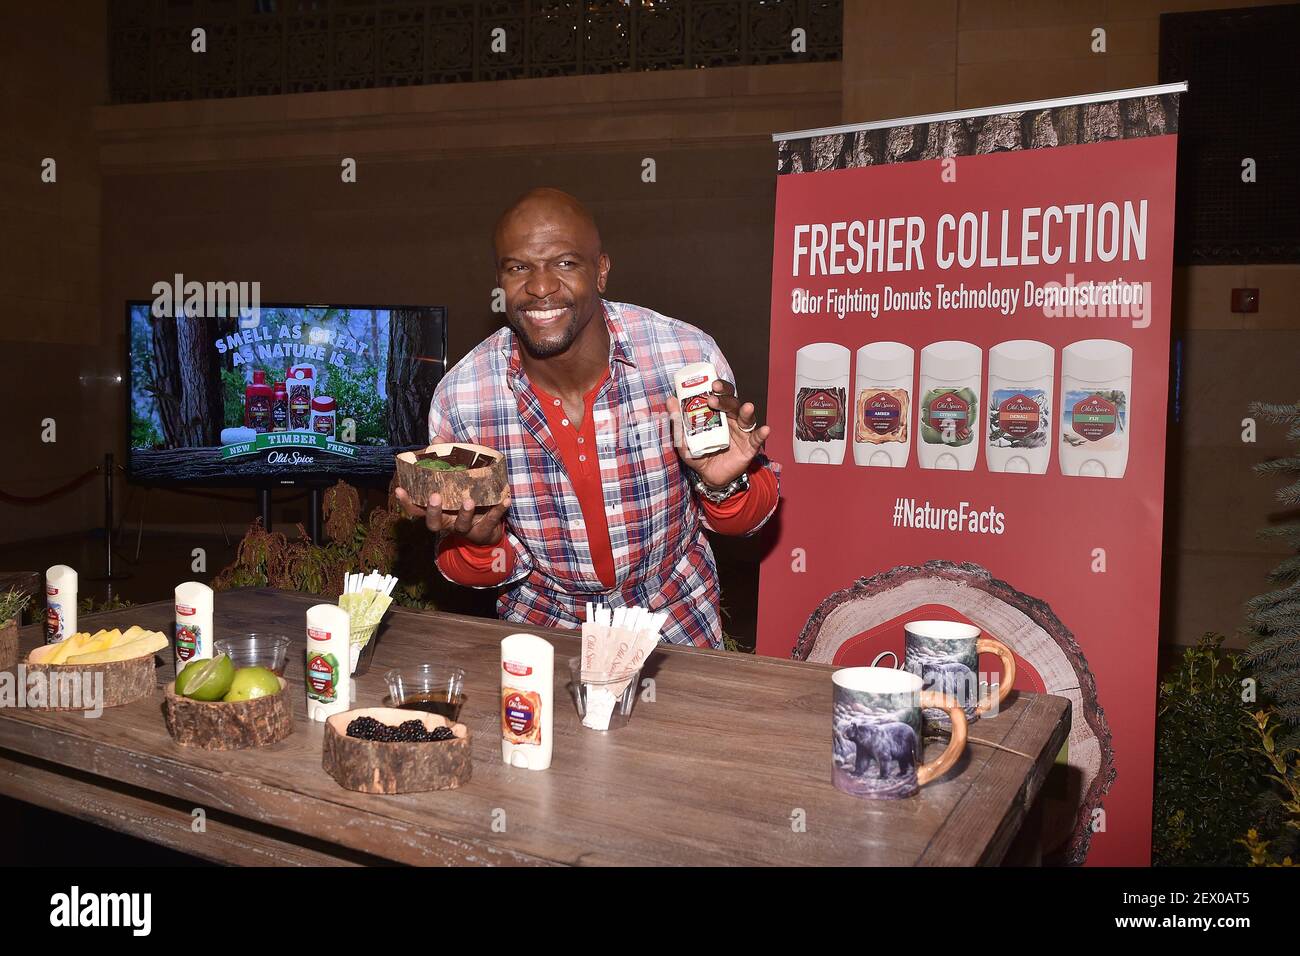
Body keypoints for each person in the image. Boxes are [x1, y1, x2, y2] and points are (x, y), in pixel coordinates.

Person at [395, 187, 781, 648]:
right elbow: (465, 567)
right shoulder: (463, 397)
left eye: (564, 263)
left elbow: (747, 520)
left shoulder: (684, 356)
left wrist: (725, 484)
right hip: (542, 632)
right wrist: (481, 542)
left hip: (677, 626)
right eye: (519, 267)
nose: (540, 287)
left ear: (600, 272)